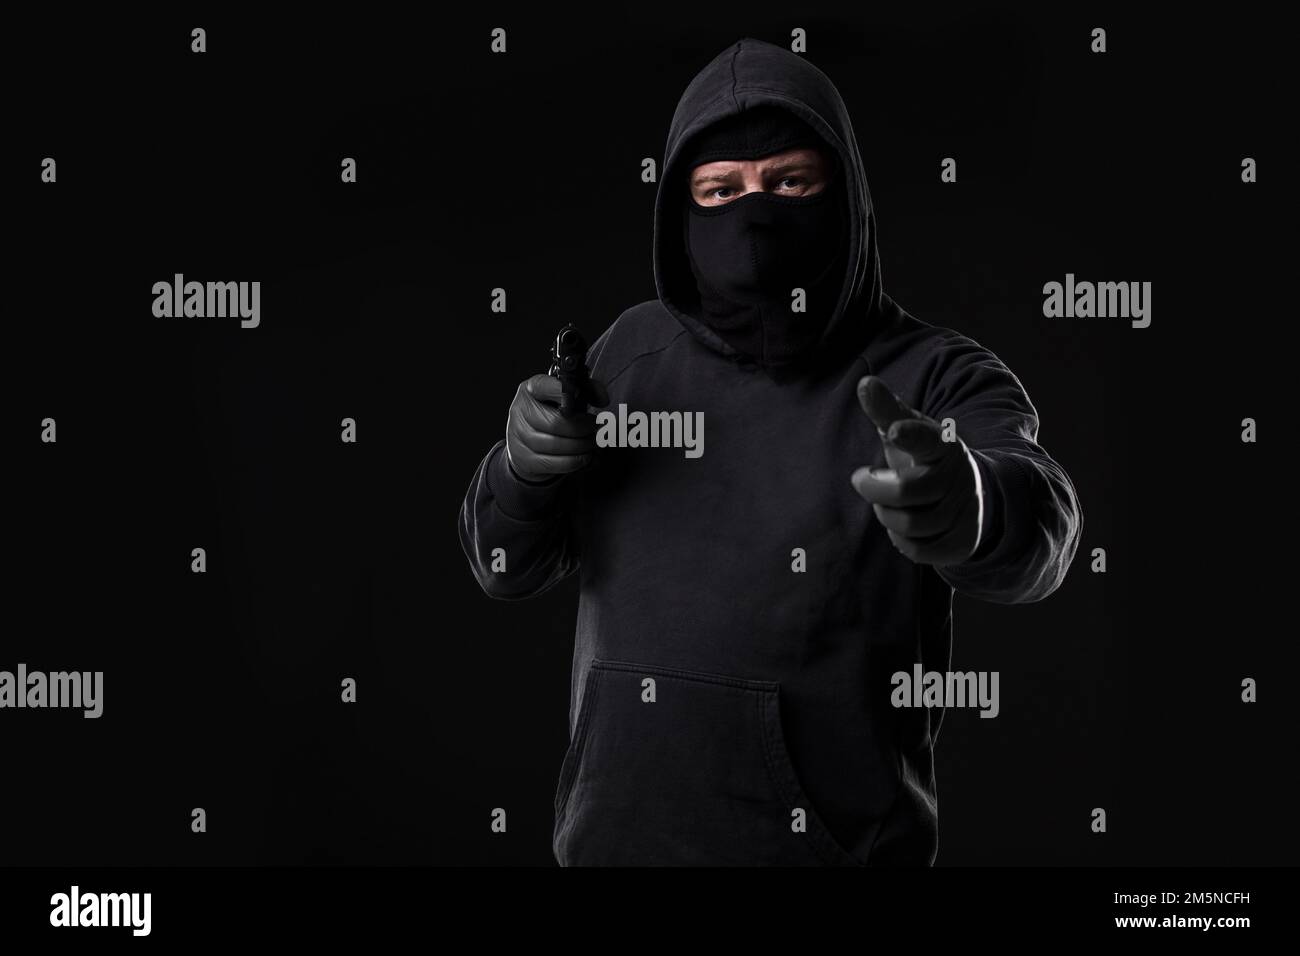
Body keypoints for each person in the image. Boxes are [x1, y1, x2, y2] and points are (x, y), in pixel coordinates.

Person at [458, 37, 1082, 866]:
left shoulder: (933, 375)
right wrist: (521, 469)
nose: (754, 217)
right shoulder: (628, 355)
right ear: (682, 211)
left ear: (845, 192)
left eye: (789, 183)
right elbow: (502, 565)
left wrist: (969, 501)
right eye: (720, 191)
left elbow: (1044, 526)